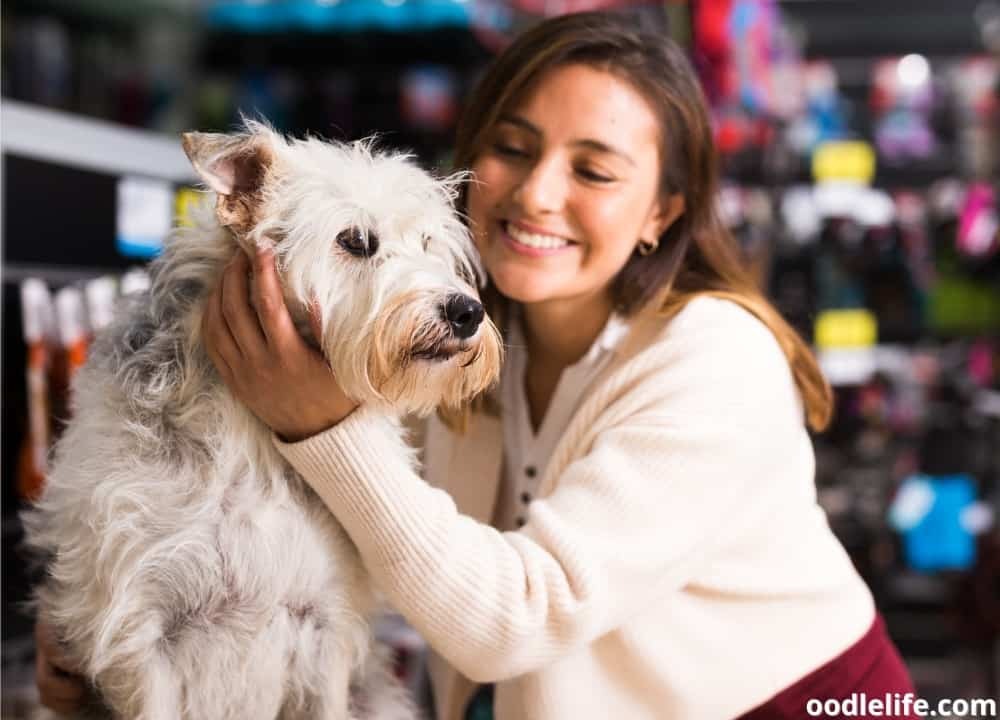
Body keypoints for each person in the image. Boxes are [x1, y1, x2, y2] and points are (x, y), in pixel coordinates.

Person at [37, 11, 918, 720]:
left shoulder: (717, 360)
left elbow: (512, 618)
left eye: (595, 170)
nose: (537, 194)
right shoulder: (466, 331)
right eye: (514, 147)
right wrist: (98, 618)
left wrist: (322, 422)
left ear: (663, 212)